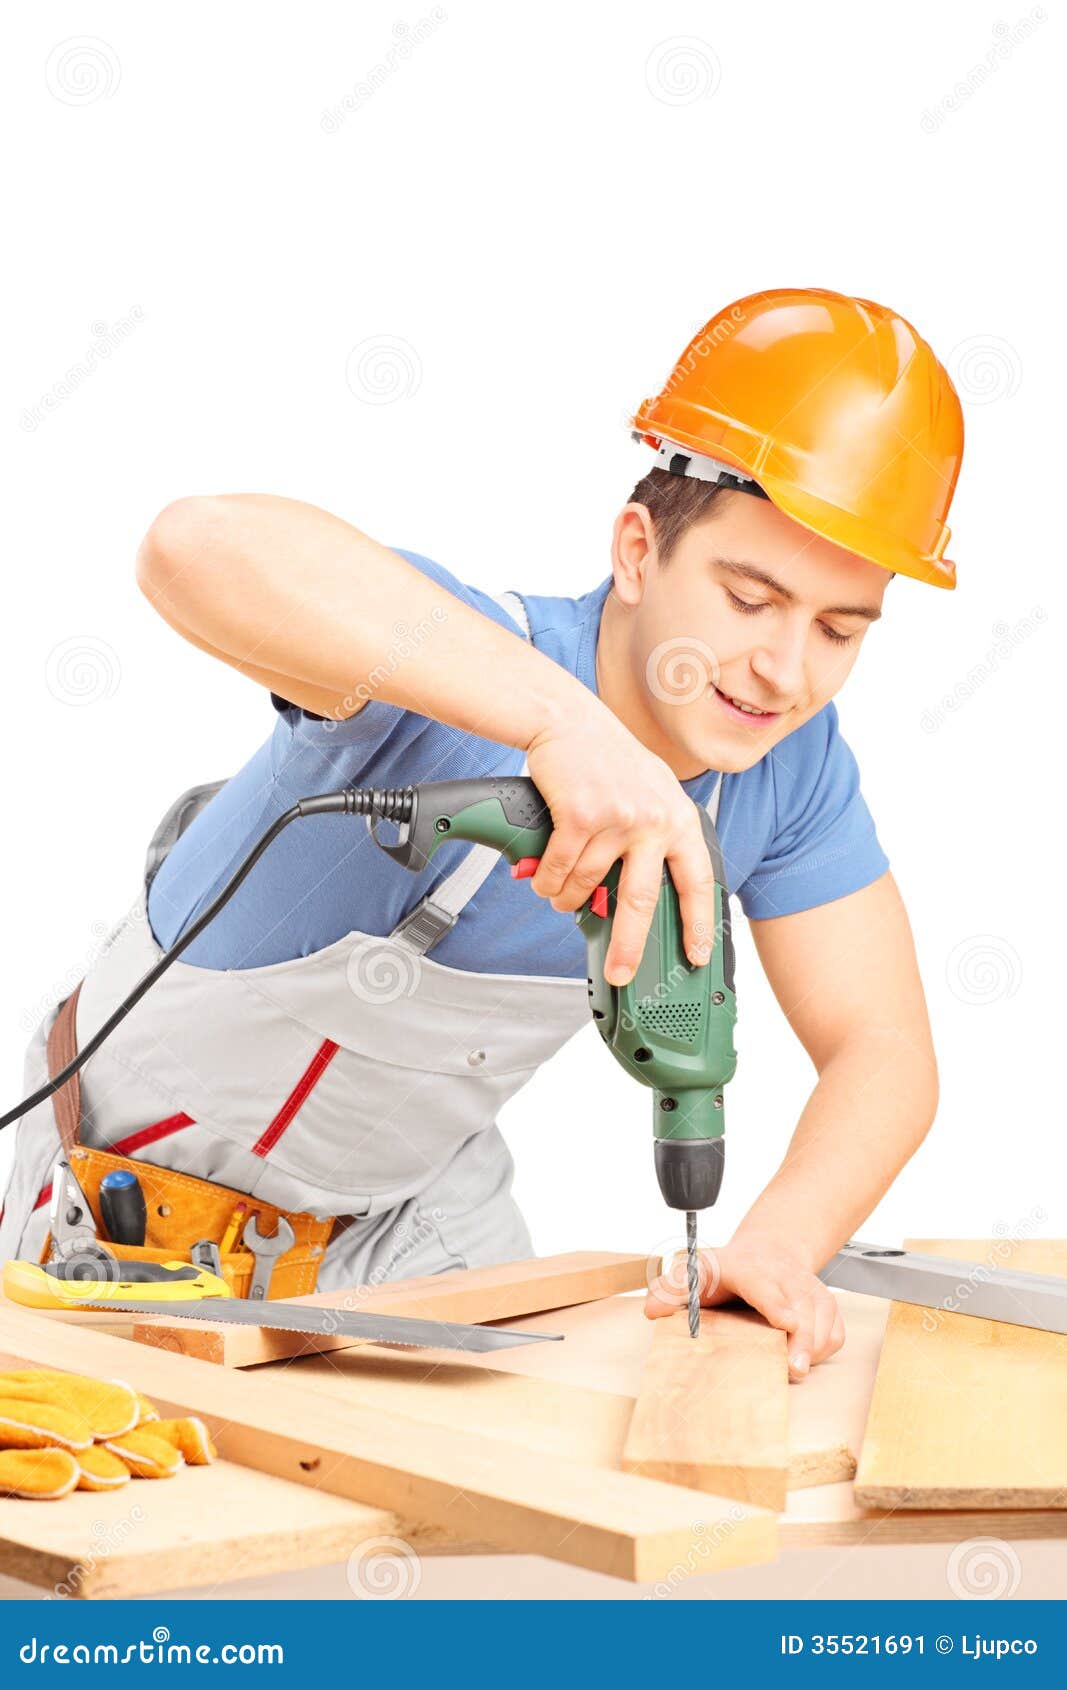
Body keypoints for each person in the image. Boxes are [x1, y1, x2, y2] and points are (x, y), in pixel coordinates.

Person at [0, 287, 962, 1380]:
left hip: (408, 1230)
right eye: (748, 599)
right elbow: (191, 545)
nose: (784, 673)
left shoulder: (787, 770)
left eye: (837, 630)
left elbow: (882, 1050)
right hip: (125, 1212)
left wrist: (777, 1247)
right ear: (637, 551)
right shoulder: (450, 659)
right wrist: (561, 726)